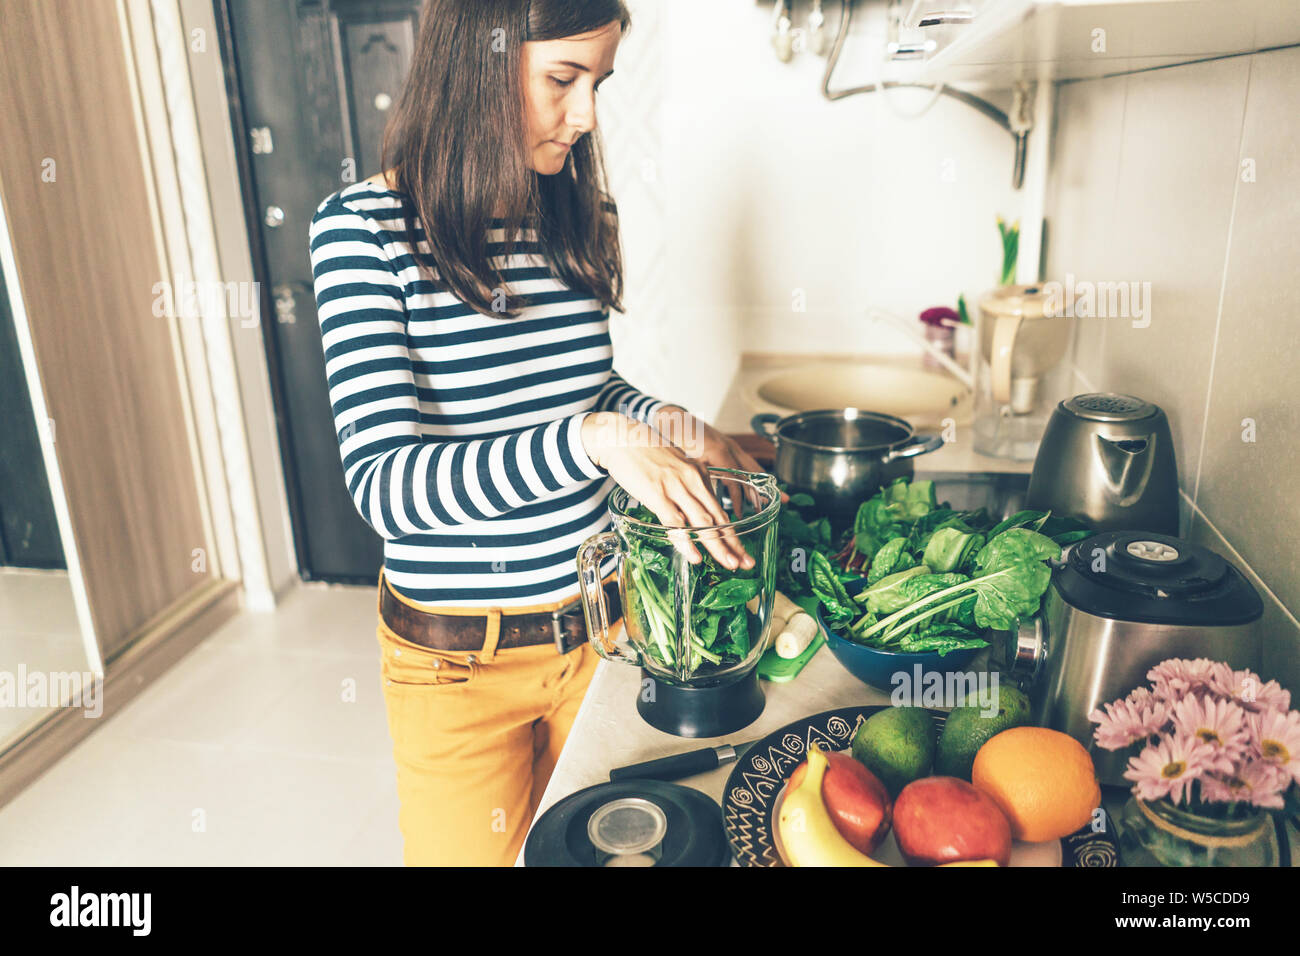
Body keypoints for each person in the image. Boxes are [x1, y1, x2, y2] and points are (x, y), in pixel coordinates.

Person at [307, 0, 766, 866]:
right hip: (456, 668)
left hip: (602, 633)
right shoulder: (361, 234)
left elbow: (587, 390)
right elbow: (386, 486)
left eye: (599, 82)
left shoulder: (568, 214)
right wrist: (589, 440)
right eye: (564, 78)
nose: (589, 113)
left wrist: (667, 425)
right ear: (474, 63)